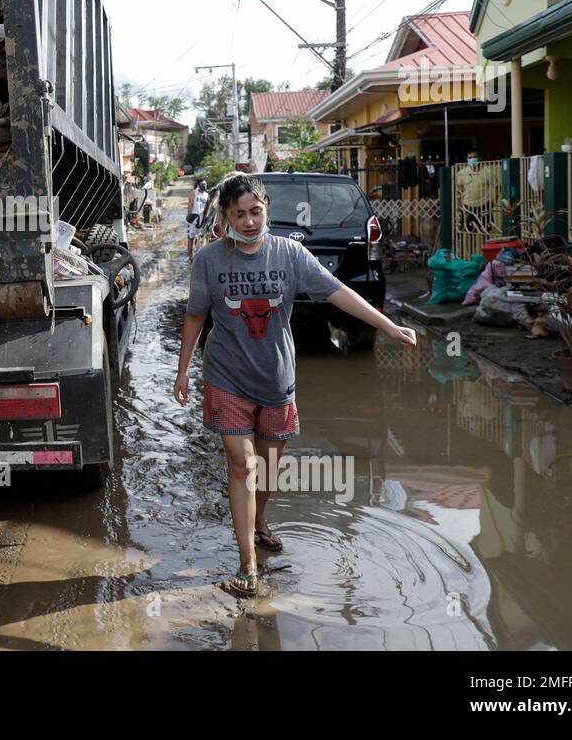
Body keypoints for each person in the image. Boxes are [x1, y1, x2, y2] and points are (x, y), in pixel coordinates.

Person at [173, 171, 416, 597]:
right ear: (226, 218)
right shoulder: (210, 259)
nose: (249, 221)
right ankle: (248, 566)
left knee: (266, 470)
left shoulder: (290, 254)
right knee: (243, 465)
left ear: (267, 210)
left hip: (276, 377)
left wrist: (390, 326)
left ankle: (259, 519)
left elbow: (339, 292)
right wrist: (182, 370)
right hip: (226, 375)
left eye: (256, 212)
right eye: (239, 215)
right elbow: (195, 315)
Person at [186, 179, 209, 261]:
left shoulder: (207, 195)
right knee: (191, 237)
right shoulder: (194, 192)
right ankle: (190, 256)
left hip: (202, 218)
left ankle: (200, 255)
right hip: (194, 217)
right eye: (203, 184)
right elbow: (190, 205)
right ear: (199, 184)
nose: (204, 185)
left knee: (202, 236)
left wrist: (206, 218)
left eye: (205, 184)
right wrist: (189, 216)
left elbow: (207, 208)